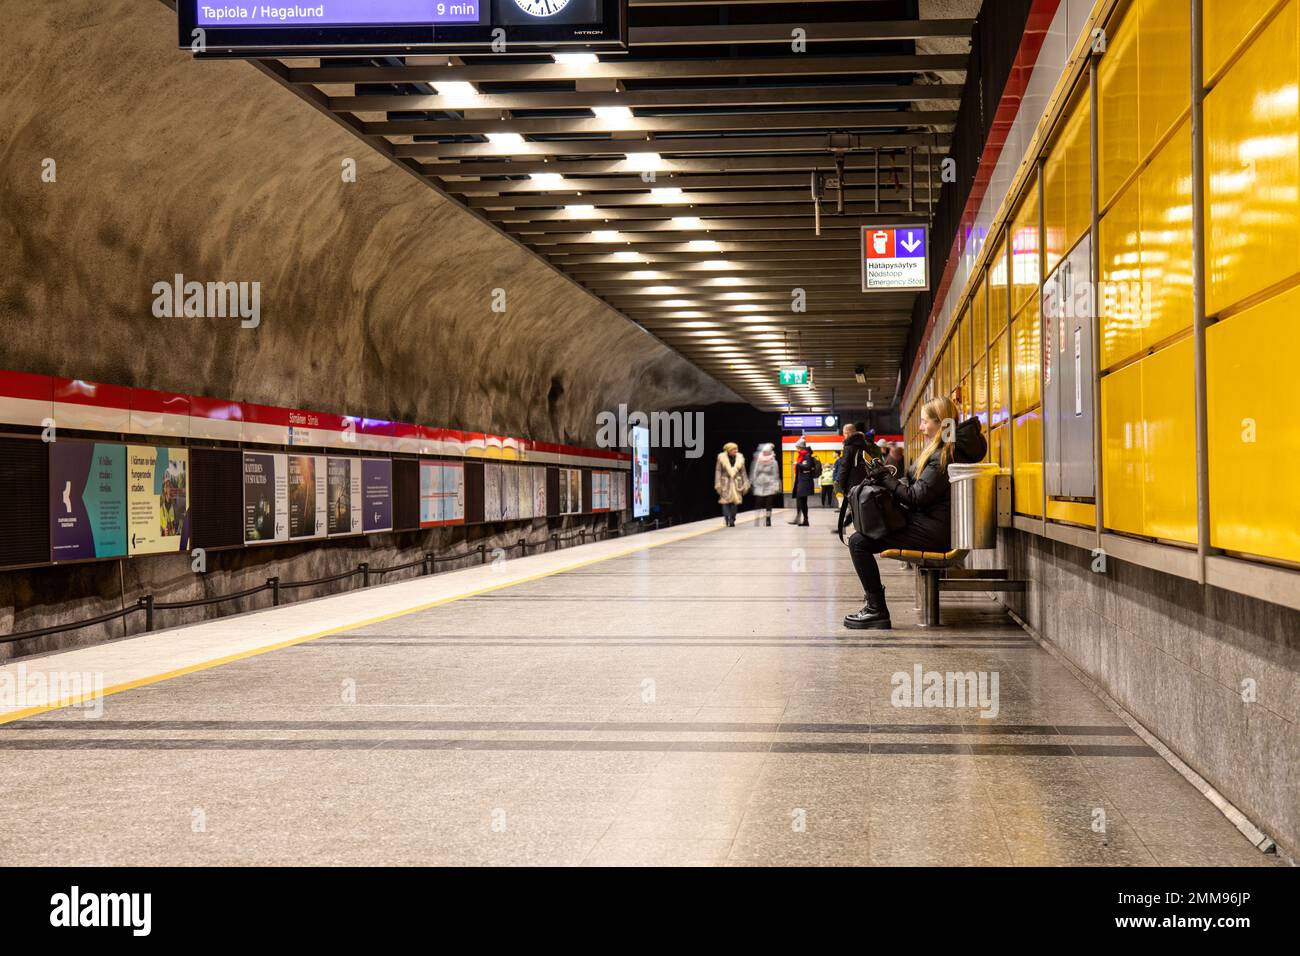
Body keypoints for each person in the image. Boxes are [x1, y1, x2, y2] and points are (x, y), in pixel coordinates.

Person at [843, 397, 986, 630]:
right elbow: (918, 490)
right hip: (933, 525)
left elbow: (917, 496)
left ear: (941, 423)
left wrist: (885, 479)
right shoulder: (945, 450)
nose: (920, 428)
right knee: (861, 538)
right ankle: (875, 607)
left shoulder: (945, 454)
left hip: (935, 532)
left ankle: (876, 610)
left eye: (924, 422)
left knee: (859, 542)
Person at [714, 442, 749, 527]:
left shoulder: (740, 458)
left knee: (735, 502)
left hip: (736, 482)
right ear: (729, 450)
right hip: (725, 482)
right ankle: (727, 517)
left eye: (736, 449)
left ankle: (732, 519)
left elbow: (743, 471)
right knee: (725, 502)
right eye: (734, 449)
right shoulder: (721, 458)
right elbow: (718, 471)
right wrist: (718, 482)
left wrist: (745, 482)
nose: (736, 451)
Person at [748, 442, 781, 526]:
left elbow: (775, 474)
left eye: (767, 451)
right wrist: (752, 482)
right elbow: (754, 472)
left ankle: (768, 519)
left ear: (770, 452)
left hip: (769, 485)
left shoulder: (774, 462)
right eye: (764, 451)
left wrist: (775, 485)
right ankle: (757, 518)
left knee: (769, 504)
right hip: (759, 485)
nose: (765, 453)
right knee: (758, 502)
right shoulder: (758, 460)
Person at [788, 438, 815, 526]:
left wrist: (797, 464)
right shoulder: (802, 455)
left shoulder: (807, 455)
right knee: (801, 501)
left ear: (801, 447)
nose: (797, 449)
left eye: (798, 447)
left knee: (802, 501)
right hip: (800, 481)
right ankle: (801, 519)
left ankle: (803, 520)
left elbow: (808, 466)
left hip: (805, 482)